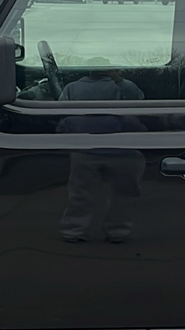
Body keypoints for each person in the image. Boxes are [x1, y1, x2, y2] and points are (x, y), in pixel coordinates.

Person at [55, 69, 145, 243]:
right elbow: (138, 100)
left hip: (93, 147)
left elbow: (62, 112)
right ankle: (117, 231)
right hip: (118, 148)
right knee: (122, 194)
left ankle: (74, 230)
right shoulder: (74, 87)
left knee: (82, 194)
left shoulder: (72, 88)